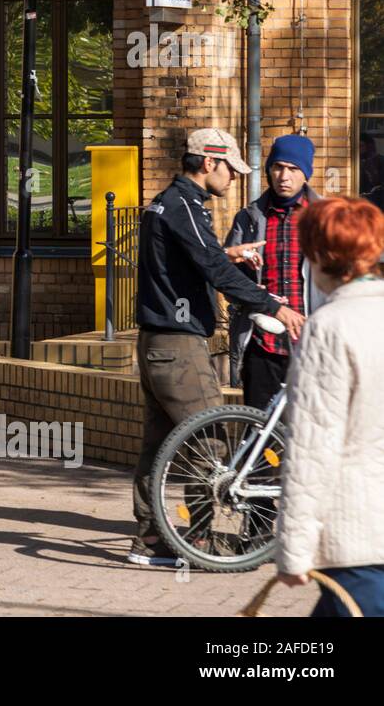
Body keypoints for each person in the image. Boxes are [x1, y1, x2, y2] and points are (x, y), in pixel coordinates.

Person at [129, 128, 305, 566]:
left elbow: (188, 260)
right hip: (178, 343)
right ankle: (201, 541)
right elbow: (209, 268)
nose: (233, 180)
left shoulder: (168, 204)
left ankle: (150, 540)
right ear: (209, 162)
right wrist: (272, 305)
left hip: (156, 342)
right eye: (230, 169)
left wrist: (227, 255)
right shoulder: (184, 205)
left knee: (160, 445)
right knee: (209, 443)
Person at [276, 196, 384, 616]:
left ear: (320, 255)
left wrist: (293, 548)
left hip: (357, 536)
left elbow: (311, 447)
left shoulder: (329, 327)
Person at [223, 134, 324, 410]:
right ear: (268, 169)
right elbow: (227, 278)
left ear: (306, 174)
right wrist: (248, 289)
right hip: (262, 341)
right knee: (259, 429)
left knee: (310, 428)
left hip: (312, 343)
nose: (284, 176)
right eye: (278, 167)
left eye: (293, 169)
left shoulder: (325, 217)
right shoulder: (249, 217)